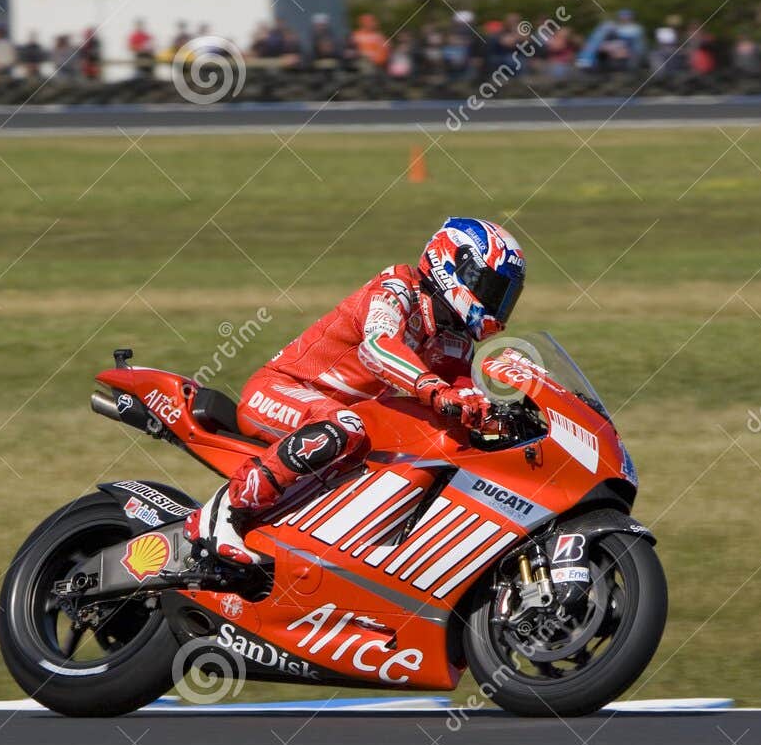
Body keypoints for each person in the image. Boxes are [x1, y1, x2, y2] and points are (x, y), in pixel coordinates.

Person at [185, 219, 527, 565]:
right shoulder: (396, 288)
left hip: (342, 424)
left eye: (505, 297)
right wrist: (432, 388)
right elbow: (379, 347)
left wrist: (499, 414)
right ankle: (225, 511)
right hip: (281, 390)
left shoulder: (455, 340)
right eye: (492, 289)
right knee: (345, 424)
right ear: (455, 265)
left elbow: (463, 394)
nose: (497, 305)